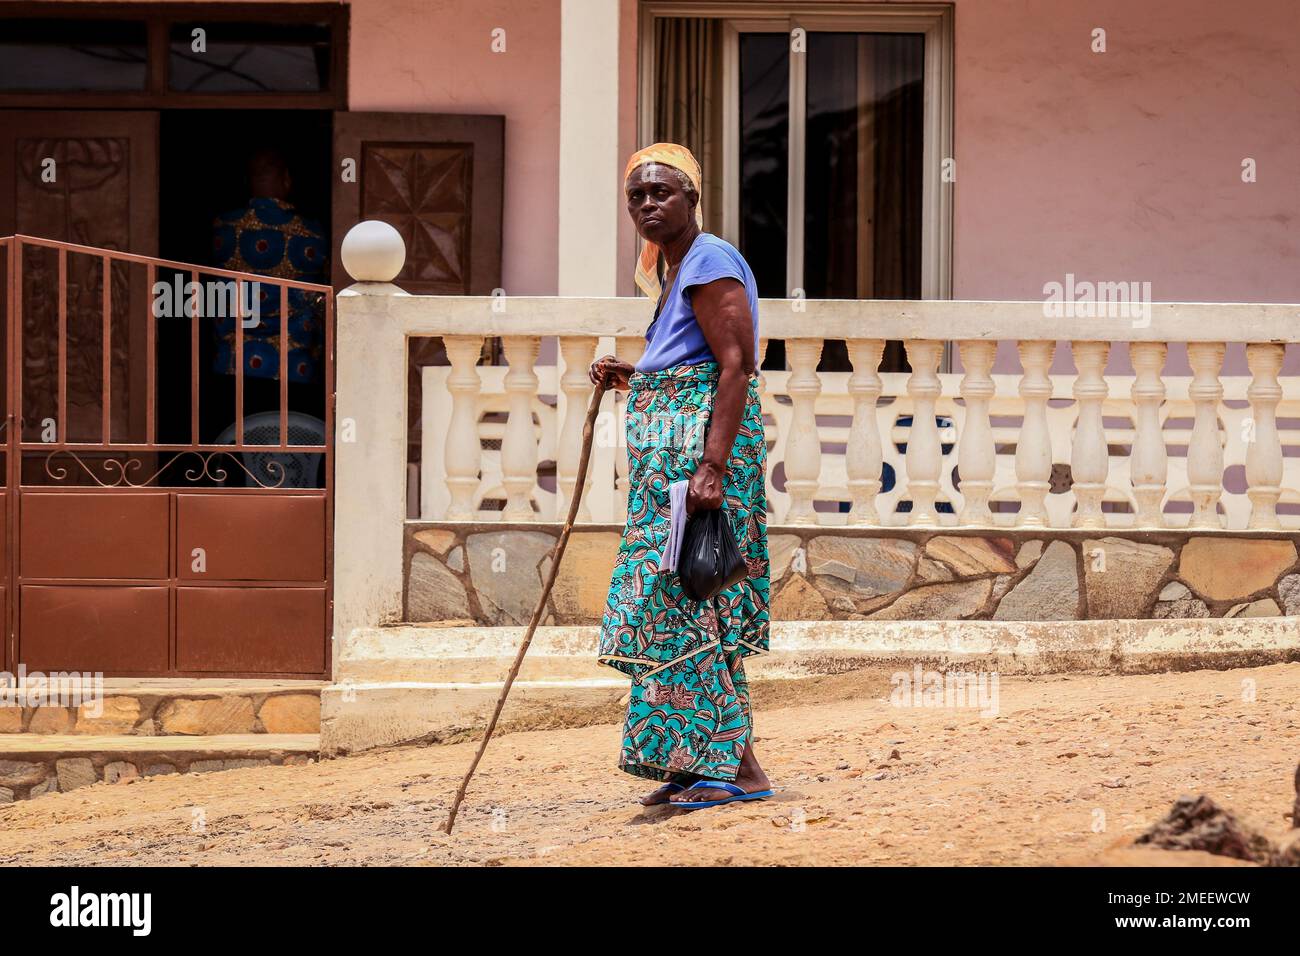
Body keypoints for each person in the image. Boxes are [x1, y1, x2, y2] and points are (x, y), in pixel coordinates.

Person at [590, 143, 772, 810]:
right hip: (669, 472)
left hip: (696, 473)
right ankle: (713, 765)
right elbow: (685, 364)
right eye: (636, 195)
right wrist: (635, 377)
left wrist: (712, 468)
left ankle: (728, 768)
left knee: (681, 604)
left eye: (661, 192)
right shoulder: (675, 270)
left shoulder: (708, 261)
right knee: (691, 608)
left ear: (692, 199)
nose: (647, 203)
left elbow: (735, 365)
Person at [207, 148, 328, 443]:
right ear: (287, 180)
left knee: (235, 441)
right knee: (291, 441)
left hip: (234, 362)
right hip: (294, 364)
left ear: (250, 181)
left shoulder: (223, 227)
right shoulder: (312, 233)